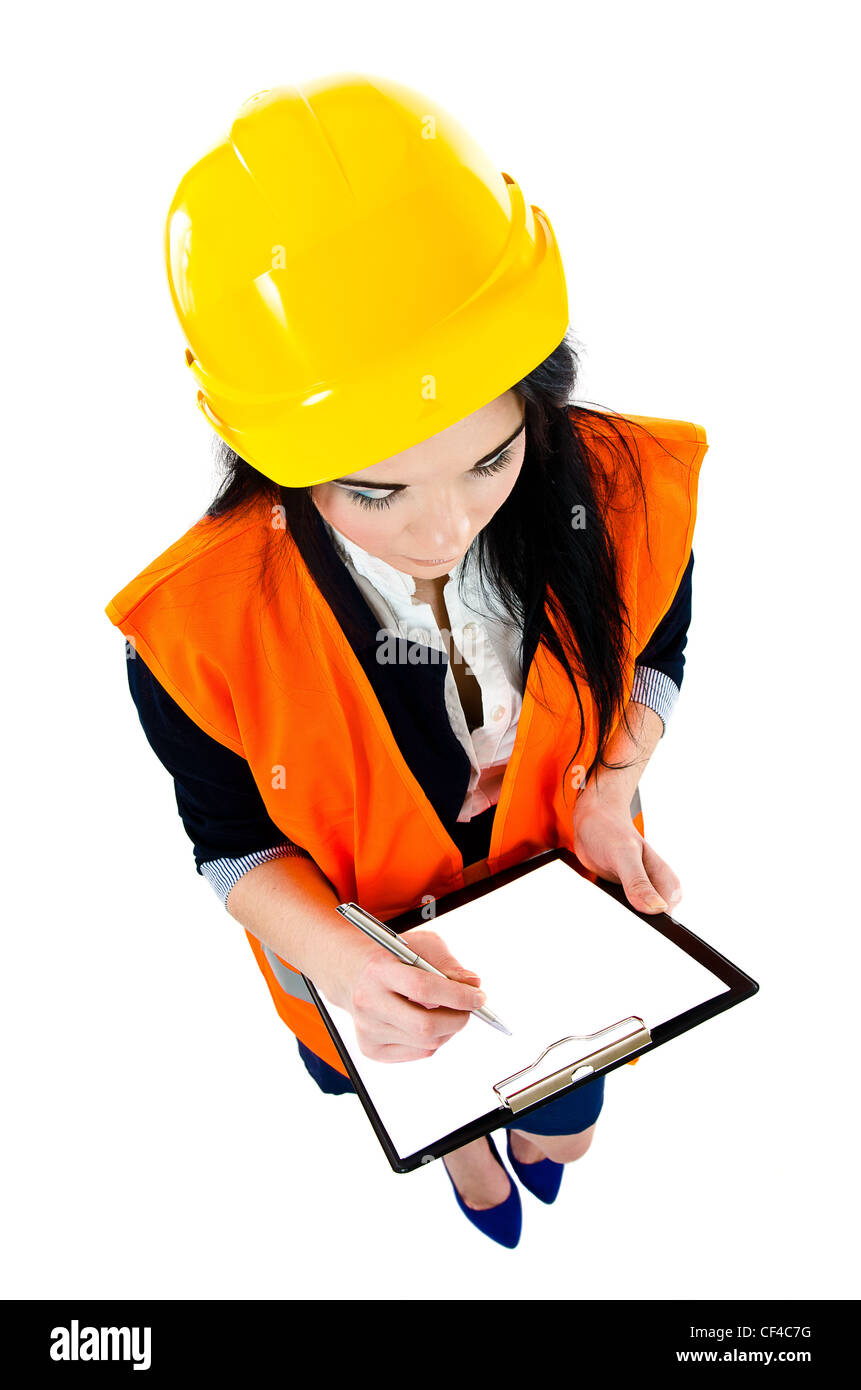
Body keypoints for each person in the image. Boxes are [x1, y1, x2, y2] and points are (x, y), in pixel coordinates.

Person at [105, 75, 706, 1248]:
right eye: (376, 489)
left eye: (491, 459)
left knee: (565, 1120)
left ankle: (518, 1149)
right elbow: (231, 843)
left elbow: (658, 643)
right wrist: (346, 961)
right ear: (277, 460)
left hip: (556, 927)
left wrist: (613, 792)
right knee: (435, 1113)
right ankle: (462, 1161)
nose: (445, 530)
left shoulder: (624, 489)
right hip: (365, 964)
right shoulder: (201, 624)